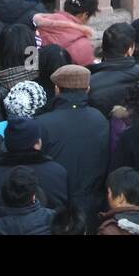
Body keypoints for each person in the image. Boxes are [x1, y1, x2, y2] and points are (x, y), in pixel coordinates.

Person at [33, 65, 108, 229]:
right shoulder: (100, 119)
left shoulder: (43, 123)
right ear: (87, 89)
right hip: (92, 207)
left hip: (53, 210)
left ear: (57, 89)